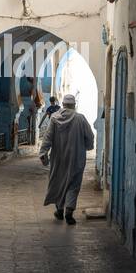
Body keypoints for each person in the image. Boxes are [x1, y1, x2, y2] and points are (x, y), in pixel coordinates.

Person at [39, 92, 95, 224]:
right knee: (73, 185)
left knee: (59, 182)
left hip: (58, 158)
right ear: (74, 105)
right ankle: (69, 212)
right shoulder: (80, 118)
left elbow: (47, 138)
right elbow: (90, 137)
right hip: (76, 157)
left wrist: (43, 152)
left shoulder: (54, 118)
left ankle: (59, 211)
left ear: (63, 105)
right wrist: (88, 146)